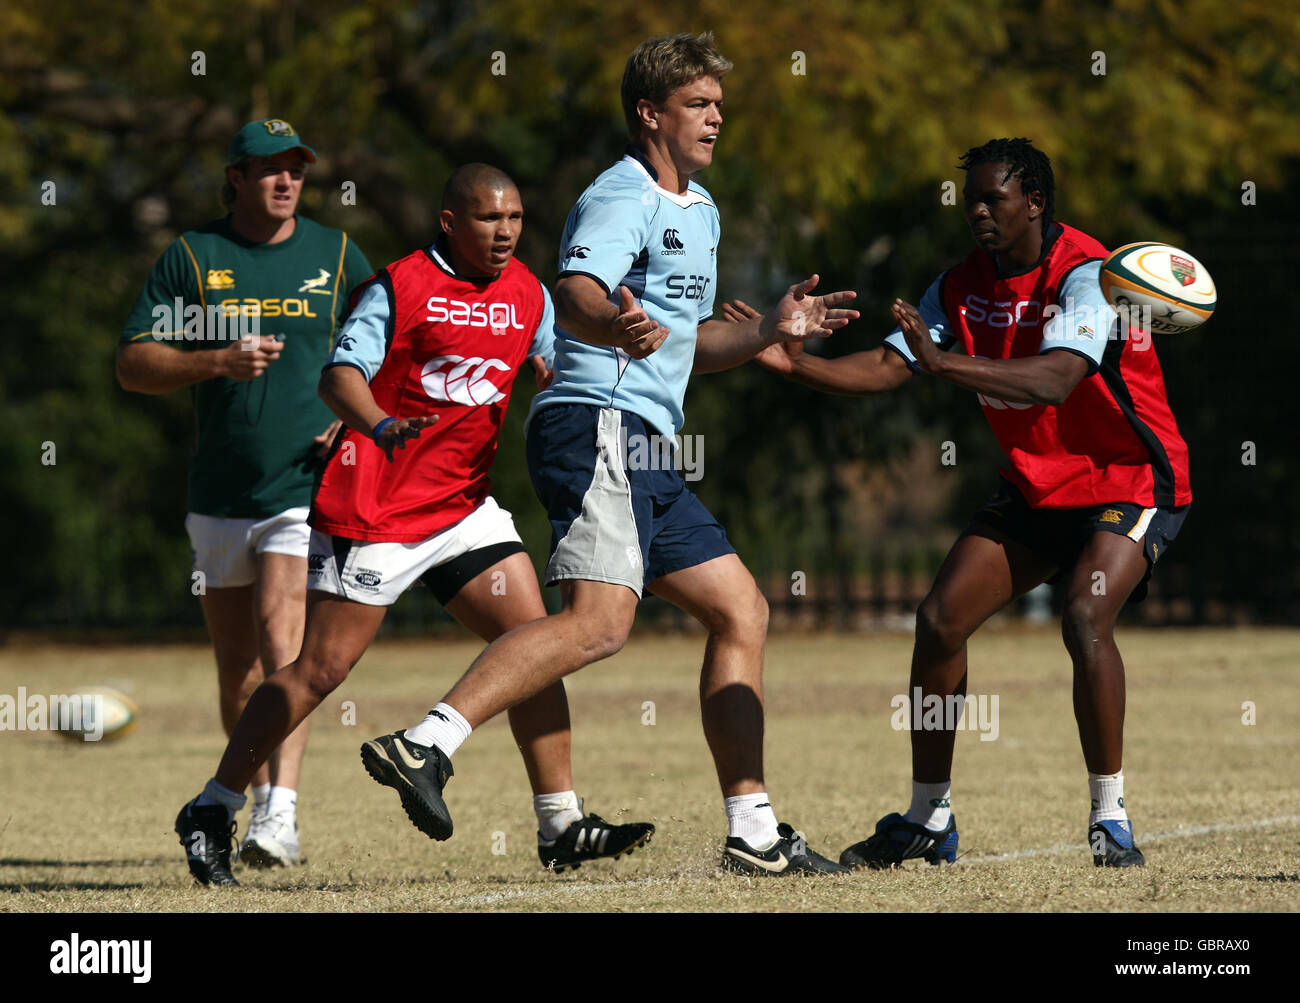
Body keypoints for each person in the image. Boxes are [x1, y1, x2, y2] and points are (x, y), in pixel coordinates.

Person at [361, 33, 861, 877]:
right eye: (699, 104)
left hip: (649, 442)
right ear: (650, 113)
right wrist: (608, 323)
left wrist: (772, 330)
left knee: (742, 610)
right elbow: (575, 292)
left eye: (718, 105)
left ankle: (755, 831)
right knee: (600, 626)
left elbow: (691, 346)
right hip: (595, 423)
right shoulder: (618, 194)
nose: (715, 118)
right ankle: (426, 743)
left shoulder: (700, 209)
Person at [173, 164, 655, 886]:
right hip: (378, 507)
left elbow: (552, 361)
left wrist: (611, 342)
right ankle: (212, 807)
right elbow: (338, 376)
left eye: (516, 219)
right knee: (319, 669)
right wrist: (381, 424)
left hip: (462, 506)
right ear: (449, 222)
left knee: (531, 643)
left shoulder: (526, 291)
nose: (505, 233)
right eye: (489, 219)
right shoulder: (401, 285)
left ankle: (560, 823)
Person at [751, 137, 1191, 868]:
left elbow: (1053, 379)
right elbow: (892, 365)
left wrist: (943, 362)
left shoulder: (1088, 274)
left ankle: (1110, 817)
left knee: (1085, 614)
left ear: (1036, 204)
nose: (977, 211)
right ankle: (928, 818)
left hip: (1129, 477)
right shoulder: (959, 285)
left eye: (994, 198)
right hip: (1037, 485)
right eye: (970, 199)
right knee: (939, 618)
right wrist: (795, 365)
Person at [119, 119, 372, 868]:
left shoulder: (335, 255)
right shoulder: (195, 256)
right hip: (220, 493)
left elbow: (394, 341)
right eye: (268, 169)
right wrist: (215, 361)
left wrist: (354, 422)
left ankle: (280, 813)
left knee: (281, 636)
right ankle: (249, 800)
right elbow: (133, 364)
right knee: (239, 670)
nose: (286, 180)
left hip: (305, 486)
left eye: (296, 167)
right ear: (235, 176)